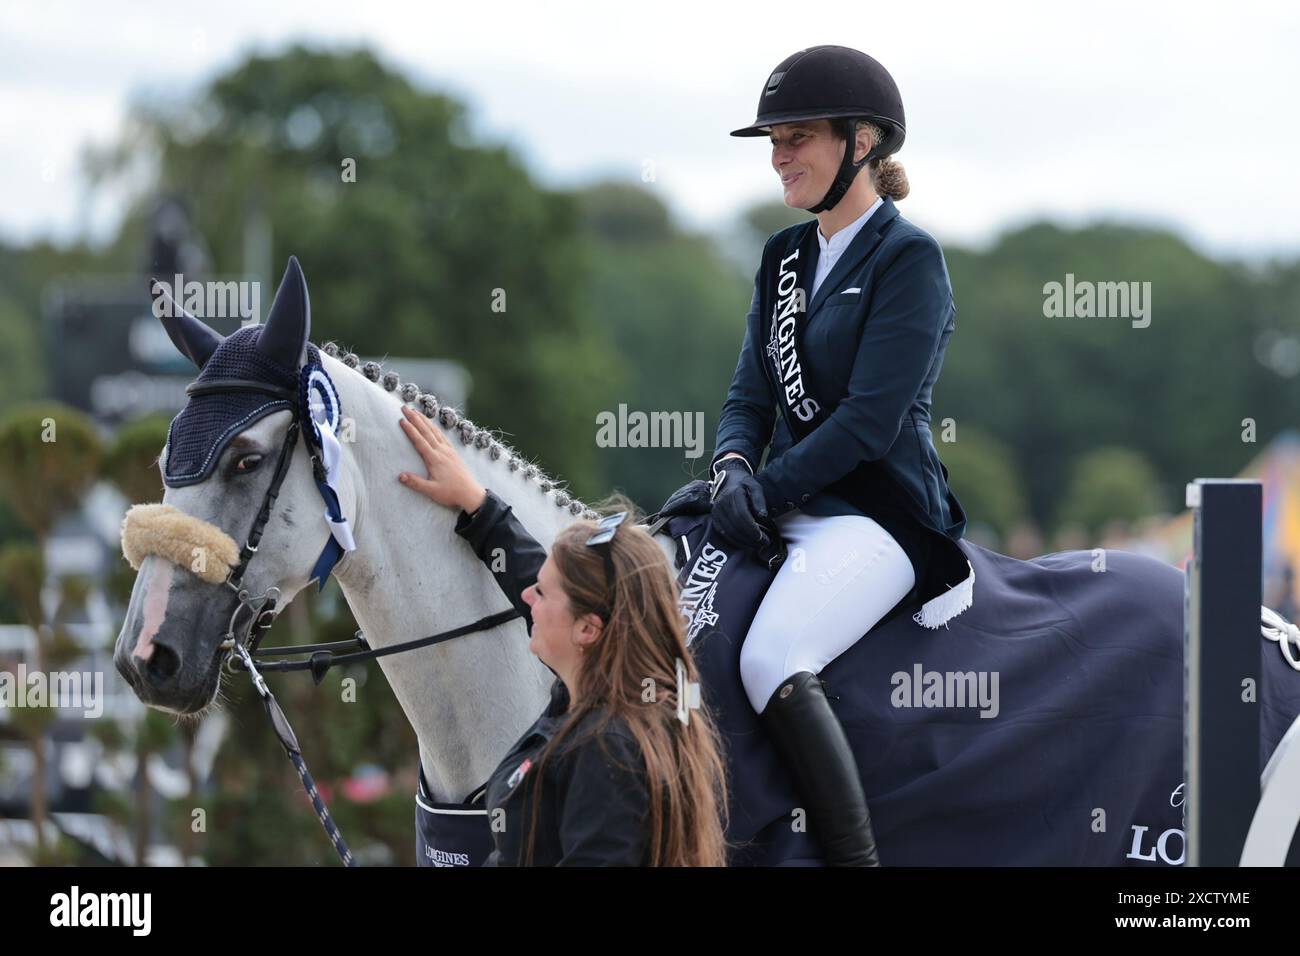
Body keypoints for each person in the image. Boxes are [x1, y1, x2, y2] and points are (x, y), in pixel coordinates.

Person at [665, 45, 975, 866]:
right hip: (790, 502)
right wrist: (732, 469)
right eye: (774, 140)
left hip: (882, 514)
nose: (779, 156)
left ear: (862, 143)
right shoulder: (785, 257)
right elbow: (747, 396)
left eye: (797, 137)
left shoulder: (909, 259)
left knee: (770, 655)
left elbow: (870, 423)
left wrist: (762, 493)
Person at [396, 404, 729, 866]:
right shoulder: (584, 693)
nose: (527, 597)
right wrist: (478, 505)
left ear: (588, 630)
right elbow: (547, 584)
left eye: (543, 593)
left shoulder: (607, 752)